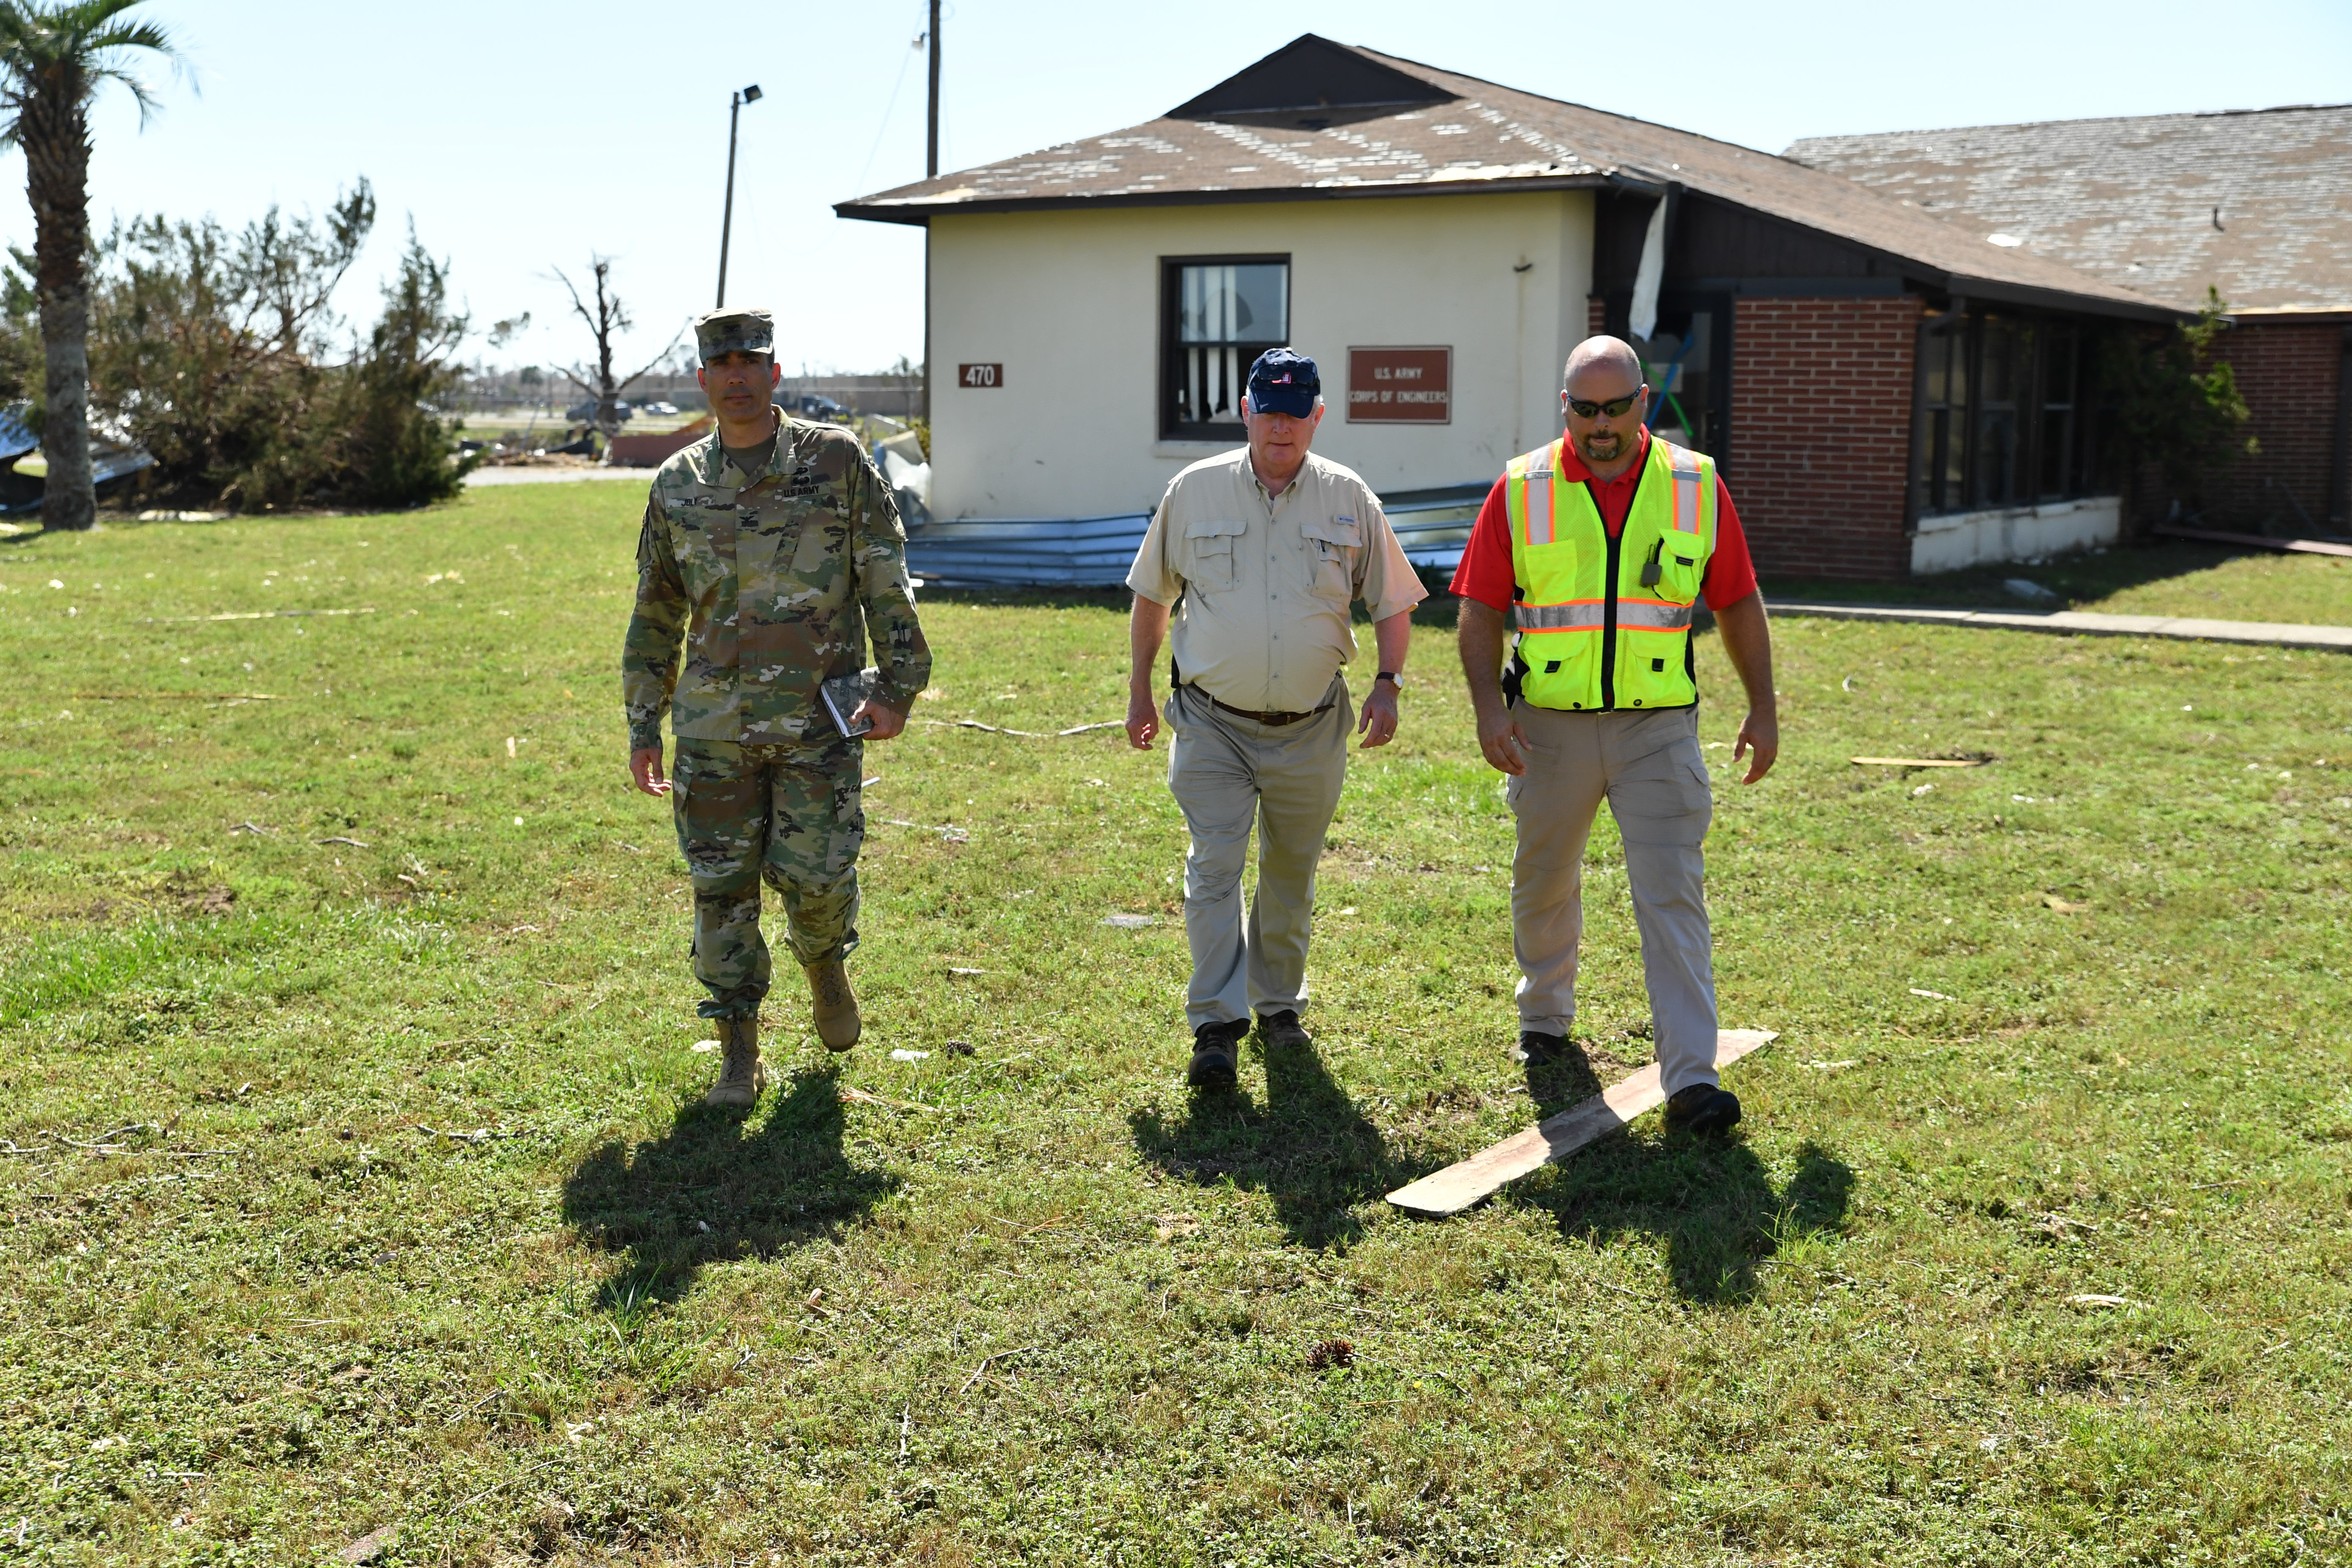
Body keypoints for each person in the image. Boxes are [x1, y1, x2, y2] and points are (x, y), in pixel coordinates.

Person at [1451, 335, 1778, 1136]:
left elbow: (1735, 599)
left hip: (1657, 728)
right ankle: (1545, 1020)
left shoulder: (1696, 484)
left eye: (1616, 408)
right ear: (1565, 407)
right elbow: (1480, 606)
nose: (1602, 426)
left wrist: (1762, 704)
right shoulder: (1521, 487)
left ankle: (1693, 1080)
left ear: (1644, 403)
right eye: (1585, 410)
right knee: (1544, 882)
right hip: (1548, 730)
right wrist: (1490, 712)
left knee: (1672, 897)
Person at [623, 308, 932, 1107]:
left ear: (775, 371)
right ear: (702, 379)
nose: (737, 376)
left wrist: (900, 683)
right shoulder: (678, 483)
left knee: (819, 875)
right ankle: (738, 1048)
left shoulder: (835, 462)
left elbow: (883, 573)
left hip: (818, 718)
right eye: (722, 364)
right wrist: (642, 722)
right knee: (721, 888)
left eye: (751, 361)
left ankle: (825, 964)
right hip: (713, 728)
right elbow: (656, 610)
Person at [1125, 348, 1428, 1090]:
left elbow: (1393, 600)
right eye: (1270, 409)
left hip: (1311, 727)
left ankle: (1279, 1007)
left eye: (1298, 412)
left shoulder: (1349, 498)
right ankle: (1216, 1025)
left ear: (1319, 416)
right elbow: (1151, 598)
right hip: (1212, 722)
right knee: (1216, 865)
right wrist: (1138, 692)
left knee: (1290, 872)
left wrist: (1388, 684)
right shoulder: (1193, 491)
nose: (1282, 425)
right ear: (1245, 410)